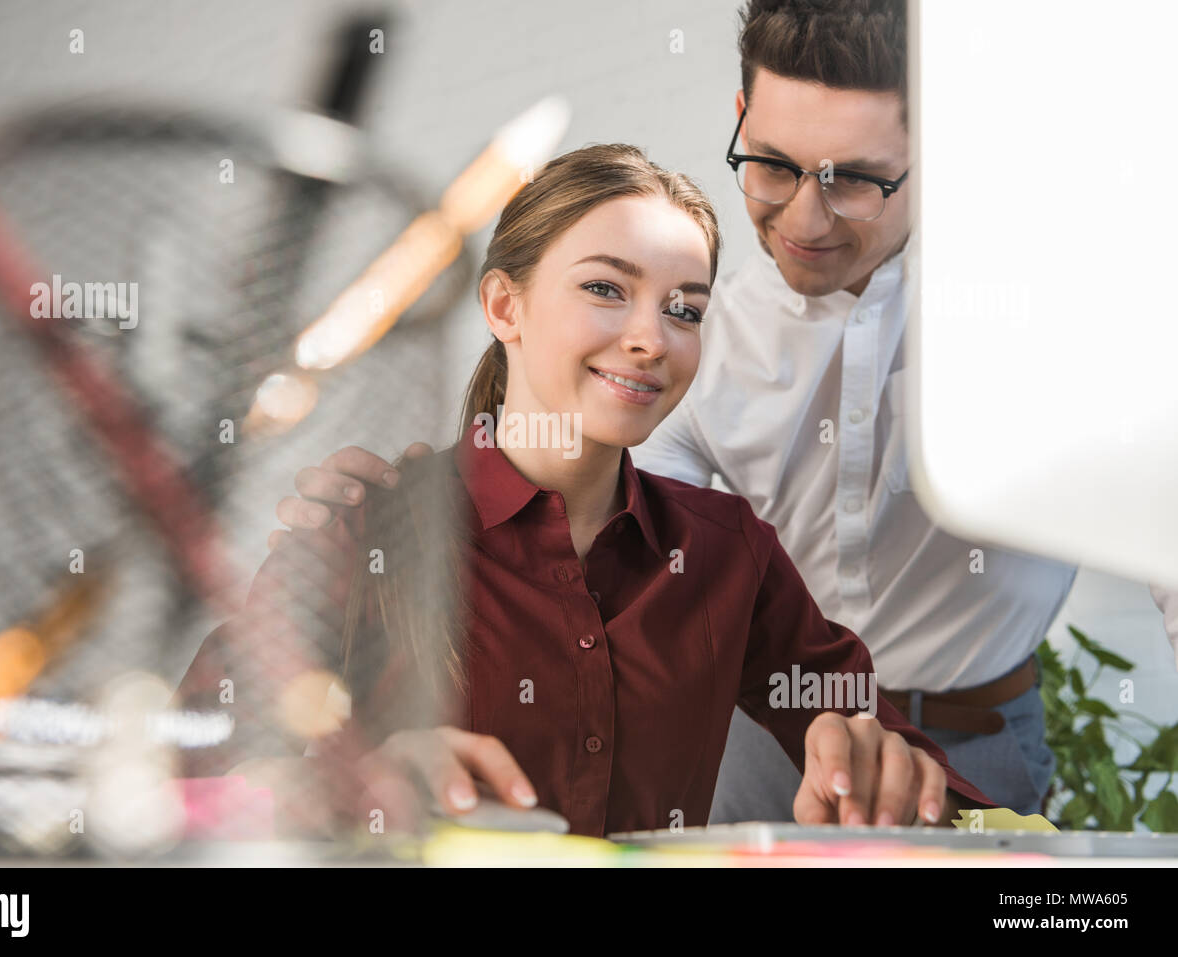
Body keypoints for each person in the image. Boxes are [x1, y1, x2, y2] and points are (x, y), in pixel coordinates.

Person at [271, 0, 1176, 822]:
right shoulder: (386, 528)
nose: (808, 220)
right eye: (774, 166)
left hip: (954, 722)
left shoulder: (1059, 315)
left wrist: (873, 747)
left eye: (856, 179)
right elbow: (607, 535)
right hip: (744, 732)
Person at [179, 141, 994, 838]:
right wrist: (342, 783)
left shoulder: (726, 550)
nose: (651, 338)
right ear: (506, 304)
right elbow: (188, 765)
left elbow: (875, 736)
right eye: (606, 288)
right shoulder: (364, 525)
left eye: (685, 308)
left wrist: (889, 768)